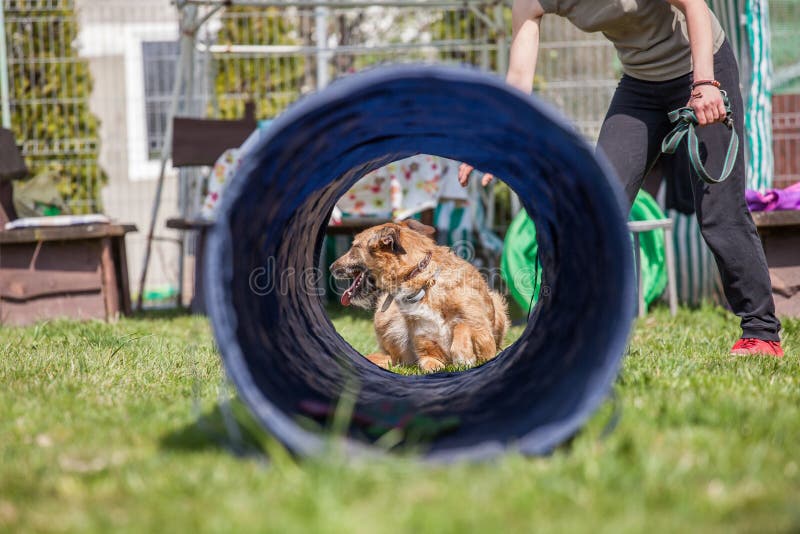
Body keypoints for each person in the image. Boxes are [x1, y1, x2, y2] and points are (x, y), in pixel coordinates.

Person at [459, 0, 783, 356]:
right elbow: (519, 78)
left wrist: (704, 81)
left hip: (700, 64)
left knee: (719, 211)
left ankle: (761, 330)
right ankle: (565, 329)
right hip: (640, 85)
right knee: (594, 208)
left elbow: (694, 6)